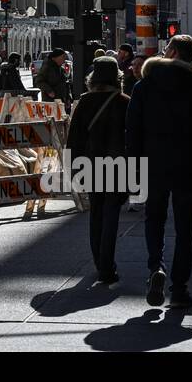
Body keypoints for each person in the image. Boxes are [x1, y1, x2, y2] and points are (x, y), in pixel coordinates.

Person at [125, 34, 192, 309]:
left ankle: (156, 266)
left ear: (175, 53)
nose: (164, 52)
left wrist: (135, 163)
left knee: (154, 219)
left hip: (153, 164)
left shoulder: (145, 86)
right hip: (187, 165)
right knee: (185, 227)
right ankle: (179, 288)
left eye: (167, 48)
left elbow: (132, 129)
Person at [66, 57, 131, 285]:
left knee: (96, 213)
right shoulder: (124, 102)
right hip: (119, 166)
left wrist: (73, 169)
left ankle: (99, 262)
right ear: (117, 77)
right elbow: (133, 140)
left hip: (90, 165)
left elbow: (74, 139)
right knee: (112, 213)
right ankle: (107, 265)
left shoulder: (84, 102)